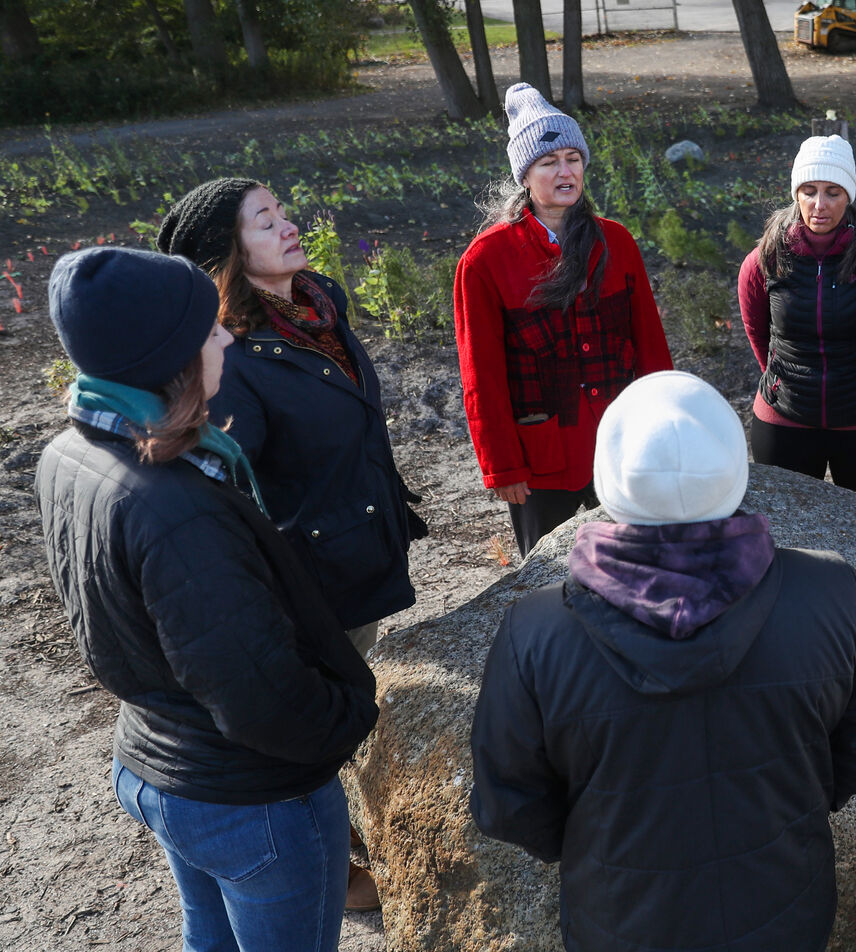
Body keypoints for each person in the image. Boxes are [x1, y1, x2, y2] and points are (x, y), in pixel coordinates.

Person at [470, 370, 856, 951]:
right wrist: (799, 796)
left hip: (619, 923)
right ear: (734, 468)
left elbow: (507, 803)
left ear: (608, 476)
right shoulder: (832, 592)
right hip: (785, 912)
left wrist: (593, 838)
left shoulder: (534, 630)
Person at [35, 247, 379, 951]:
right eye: (207, 328)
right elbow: (257, 694)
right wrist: (345, 720)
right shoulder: (176, 507)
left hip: (155, 761)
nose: (225, 336)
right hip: (248, 797)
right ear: (167, 356)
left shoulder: (69, 451)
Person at [158, 176, 424, 911]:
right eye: (264, 221)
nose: (288, 226)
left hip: (360, 539)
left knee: (352, 689)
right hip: (307, 577)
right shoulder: (233, 357)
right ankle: (338, 868)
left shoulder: (319, 301)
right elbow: (232, 492)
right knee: (316, 719)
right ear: (227, 253)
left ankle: (347, 832)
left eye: (282, 212)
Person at [455, 82, 672, 558]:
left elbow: (651, 349)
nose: (565, 170)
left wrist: (662, 431)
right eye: (549, 162)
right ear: (525, 176)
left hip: (619, 447)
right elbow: (482, 377)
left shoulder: (617, 242)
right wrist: (502, 466)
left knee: (634, 563)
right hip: (541, 459)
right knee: (549, 576)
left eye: (573, 158)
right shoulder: (485, 261)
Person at [737, 134, 856, 505]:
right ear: (796, 194)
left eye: (833, 192)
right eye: (809, 191)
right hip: (784, 421)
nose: (820, 205)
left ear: (849, 195)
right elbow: (758, 335)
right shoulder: (762, 262)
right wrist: (786, 381)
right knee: (787, 531)